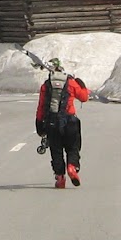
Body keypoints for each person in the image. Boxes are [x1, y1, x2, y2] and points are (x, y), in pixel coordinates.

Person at [35, 59, 90, 189]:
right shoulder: (71, 83)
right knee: (73, 147)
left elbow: (41, 106)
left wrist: (39, 124)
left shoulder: (46, 86)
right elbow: (84, 97)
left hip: (52, 122)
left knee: (56, 151)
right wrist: (81, 84)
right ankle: (71, 166)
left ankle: (60, 178)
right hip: (70, 121)